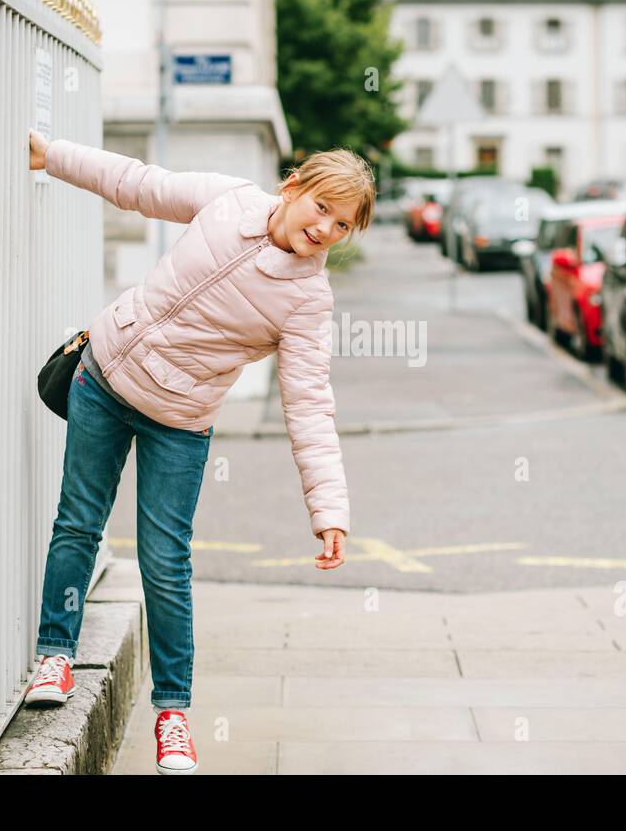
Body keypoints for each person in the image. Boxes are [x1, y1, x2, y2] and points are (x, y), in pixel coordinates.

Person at [23, 128, 373, 774]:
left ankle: (174, 716)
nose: (326, 228)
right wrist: (52, 156)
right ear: (293, 186)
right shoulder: (228, 200)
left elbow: (309, 403)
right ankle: (55, 654)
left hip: (180, 421)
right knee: (77, 522)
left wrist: (330, 508)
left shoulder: (306, 300)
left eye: (343, 224)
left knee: (165, 561)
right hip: (102, 376)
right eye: (322, 207)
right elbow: (137, 184)